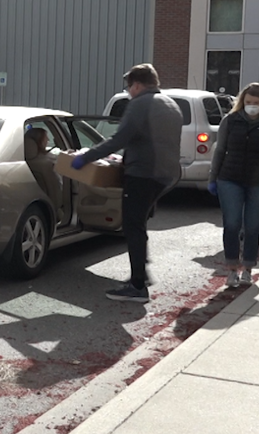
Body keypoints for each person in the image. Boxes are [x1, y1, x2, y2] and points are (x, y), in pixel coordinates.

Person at [71, 64, 183, 303]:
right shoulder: (171, 104)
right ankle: (142, 271)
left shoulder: (140, 104)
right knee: (139, 222)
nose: (129, 92)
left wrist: (85, 158)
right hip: (167, 174)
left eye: (129, 87)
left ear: (137, 85)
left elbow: (119, 139)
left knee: (133, 226)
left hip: (143, 174)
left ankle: (137, 286)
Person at [207, 82, 259, 288]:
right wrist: (212, 177)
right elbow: (220, 150)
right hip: (229, 178)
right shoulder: (230, 121)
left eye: (256, 103)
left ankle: (248, 267)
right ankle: (232, 268)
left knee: (252, 225)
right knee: (232, 224)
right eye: (248, 102)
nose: (252, 106)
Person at [25, 127, 63, 221]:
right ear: (39, 141)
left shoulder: (24, 162)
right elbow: (56, 193)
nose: (48, 140)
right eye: (46, 138)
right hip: (53, 209)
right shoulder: (48, 165)